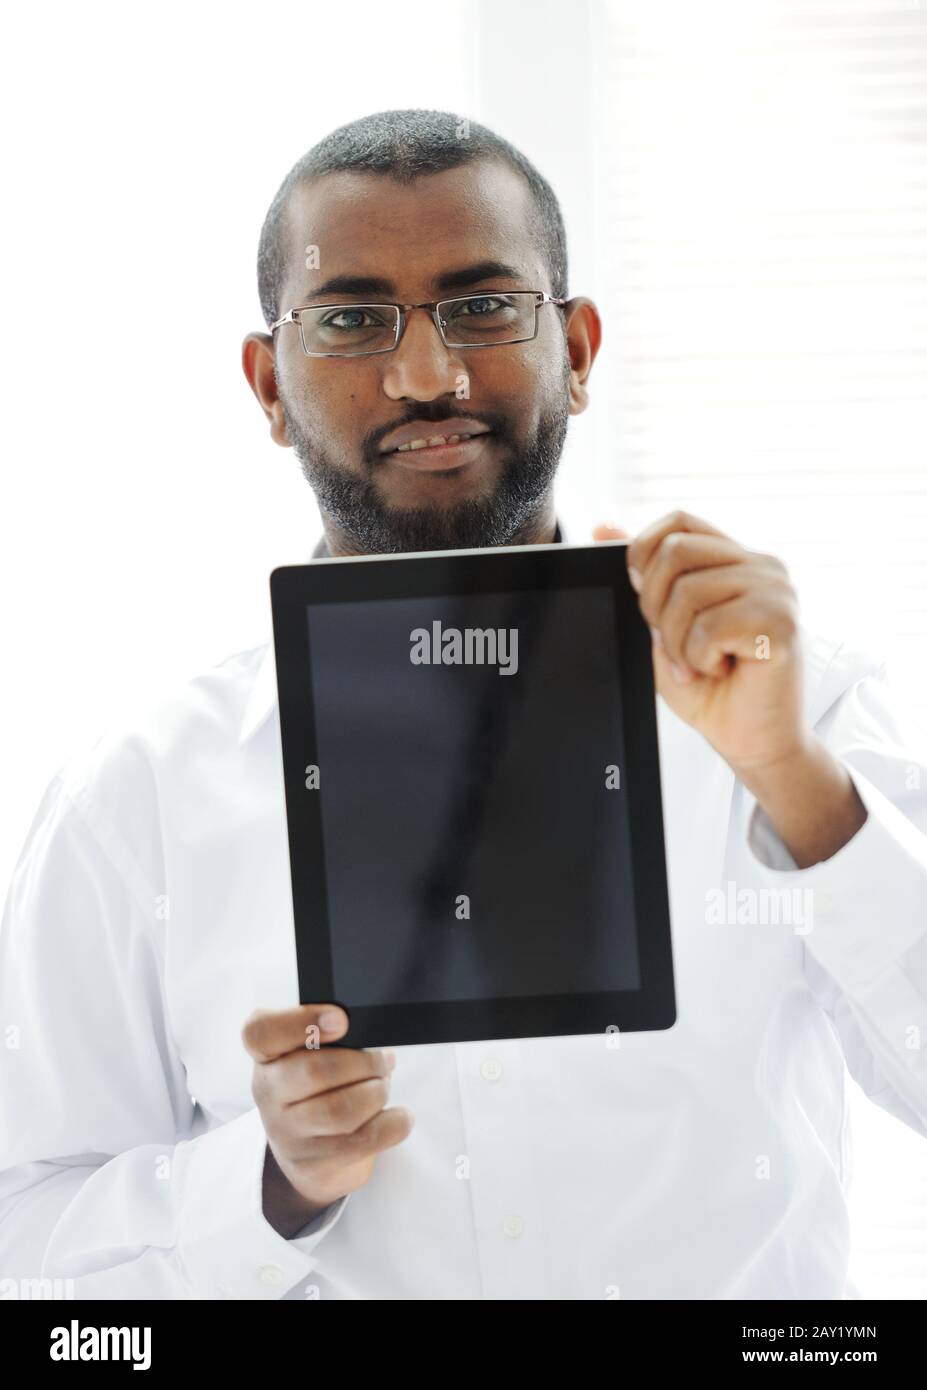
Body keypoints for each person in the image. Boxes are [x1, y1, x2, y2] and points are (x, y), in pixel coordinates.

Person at [1, 109, 925, 1301]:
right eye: (350, 319)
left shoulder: (804, 708)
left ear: (579, 352)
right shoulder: (137, 797)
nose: (428, 375)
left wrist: (798, 787)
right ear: (267, 385)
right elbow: (28, 1252)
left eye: (485, 308)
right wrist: (267, 1185)